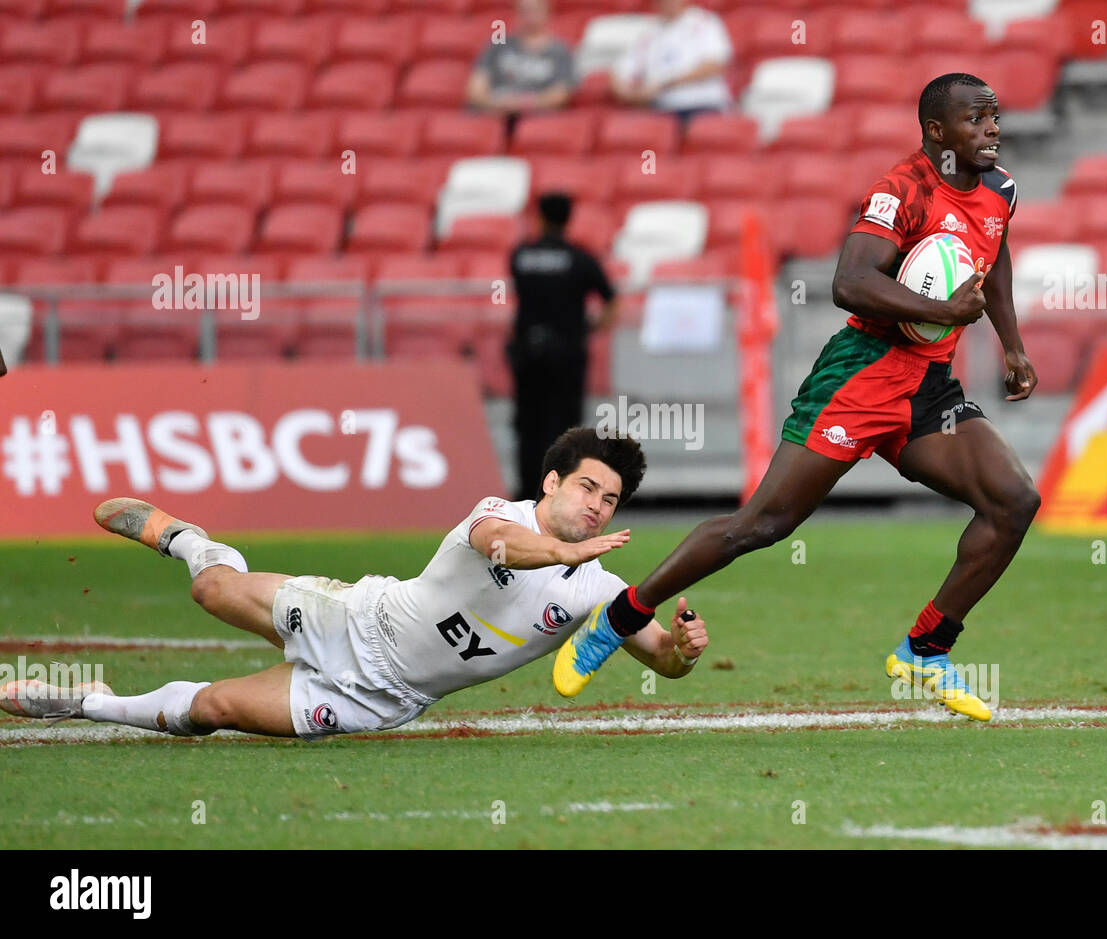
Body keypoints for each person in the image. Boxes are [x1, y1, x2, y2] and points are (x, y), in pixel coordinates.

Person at [552, 73, 1041, 722]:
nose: (991, 130)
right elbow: (849, 281)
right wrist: (938, 307)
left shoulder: (1000, 188)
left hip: (927, 385)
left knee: (1014, 501)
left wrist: (1011, 344)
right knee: (762, 525)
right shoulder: (902, 190)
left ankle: (925, 648)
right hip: (860, 374)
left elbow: (995, 254)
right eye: (976, 119)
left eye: (994, 117)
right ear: (935, 131)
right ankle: (620, 617)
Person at [0, 429, 709, 739]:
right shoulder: (502, 514)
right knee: (211, 591)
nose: (596, 504)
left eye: (610, 499)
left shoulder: (597, 585)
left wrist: (683, 649)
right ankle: (192, 541)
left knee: (213, 710)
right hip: (353, 618)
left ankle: (81, 703)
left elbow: (660, 658)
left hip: (382, 696)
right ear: (553, 481)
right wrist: (554, 548)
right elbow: (507, 547)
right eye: (587, 485)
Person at [508, 191, 618, 502]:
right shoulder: (580, 258)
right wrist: (589, 327)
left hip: (529, 355)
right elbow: (611, 300)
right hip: (567, 356)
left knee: (528, 427)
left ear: (540, 218)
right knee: (566, 429)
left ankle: (528, 494)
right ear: (568, 219)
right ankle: (564, 490)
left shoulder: (521, 256)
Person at [611, 0, 732, 124]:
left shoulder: (704, 21)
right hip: (658, 108)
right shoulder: (650, 30)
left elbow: (714, 64)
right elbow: (621, 70)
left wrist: (665, 84)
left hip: (701, 105)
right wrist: (628, 93)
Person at [465, 0, 575, 125]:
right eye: (524, 10)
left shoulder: (560, 51)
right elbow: (475, 89)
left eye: (534, 9)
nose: (529, 15)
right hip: (493, 116)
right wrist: (500, 104)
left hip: (534, 121)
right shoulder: (498, 45)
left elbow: (560, 95)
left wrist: (522, 104)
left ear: (547, 11)